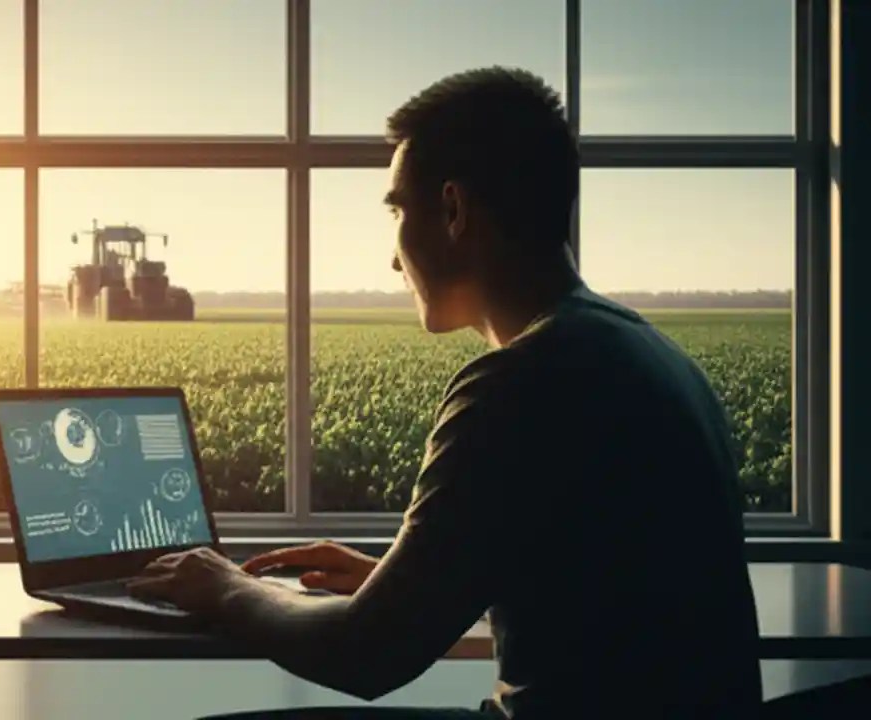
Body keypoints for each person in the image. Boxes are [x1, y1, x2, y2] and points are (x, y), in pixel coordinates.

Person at [127, 66, 764, 720]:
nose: (394, 259)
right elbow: (608, 604)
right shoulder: (648, 351)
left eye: (399, 211)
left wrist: (226, 588)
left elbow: (363, 653)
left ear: (454, 211)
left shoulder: (519, 383)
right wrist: (410, 582)